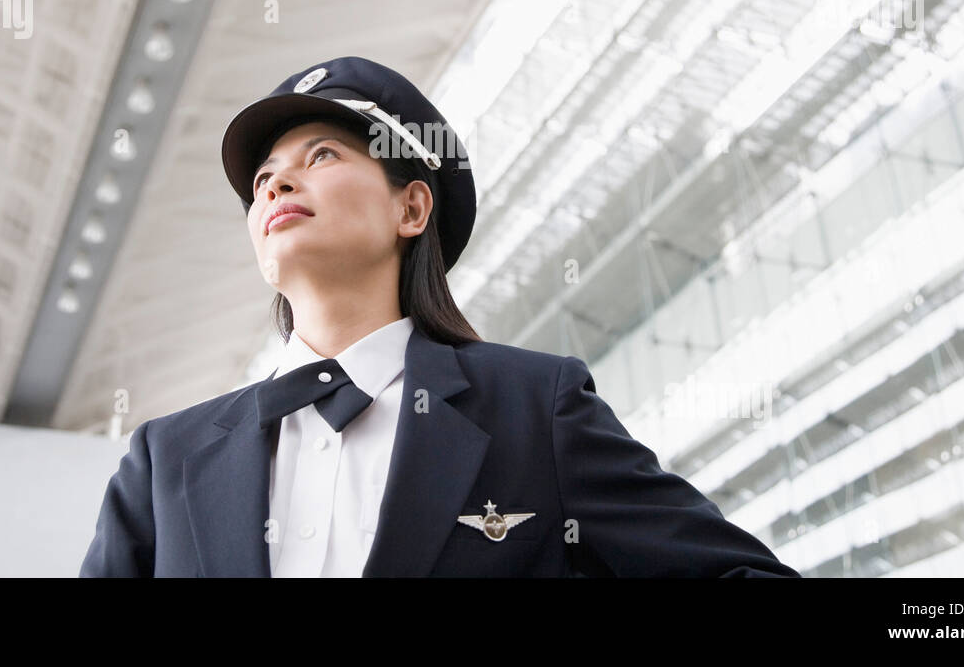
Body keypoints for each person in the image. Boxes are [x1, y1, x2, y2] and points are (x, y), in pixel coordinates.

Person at [79, 55, 800, 577]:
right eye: (263, 179)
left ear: (411, 207)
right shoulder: (165, 459)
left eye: (322, 153)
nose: (278, 185)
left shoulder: (532, 411)